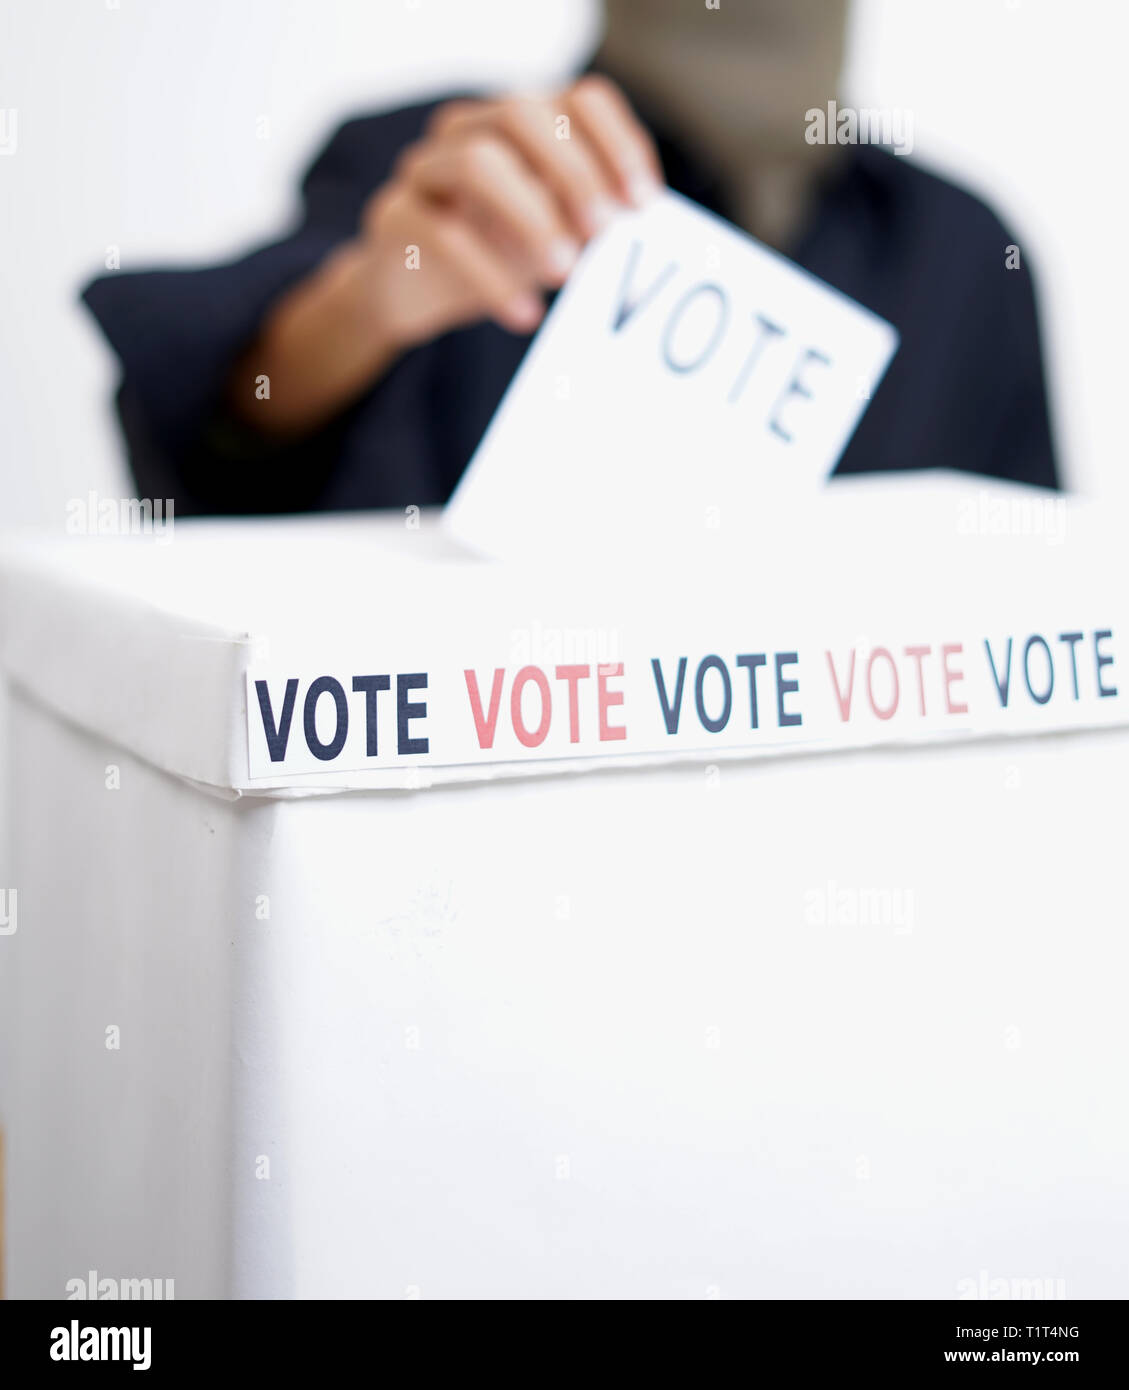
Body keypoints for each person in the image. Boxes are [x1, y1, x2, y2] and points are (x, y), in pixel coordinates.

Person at [82, 0, 1059, 517]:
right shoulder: (439, 172)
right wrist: (366, 304)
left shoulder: (967, 254)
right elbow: (228, 431)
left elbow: (1042, 622)